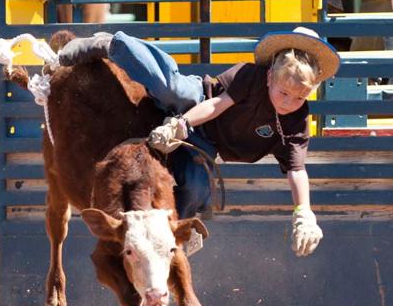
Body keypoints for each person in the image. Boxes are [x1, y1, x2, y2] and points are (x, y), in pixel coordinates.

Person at [57, 27, 340, 257]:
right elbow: (216, 104)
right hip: (199, 102)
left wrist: (304, 213)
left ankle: (170, 240)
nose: (289, 103)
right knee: (172, 87)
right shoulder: (251, 77)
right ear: (269, 77)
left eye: (300, 97)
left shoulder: (296, 120)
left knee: (195, 187)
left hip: (205, 140)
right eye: (283, 93)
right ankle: (112, 45)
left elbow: (296, 169)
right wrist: (182, 124)